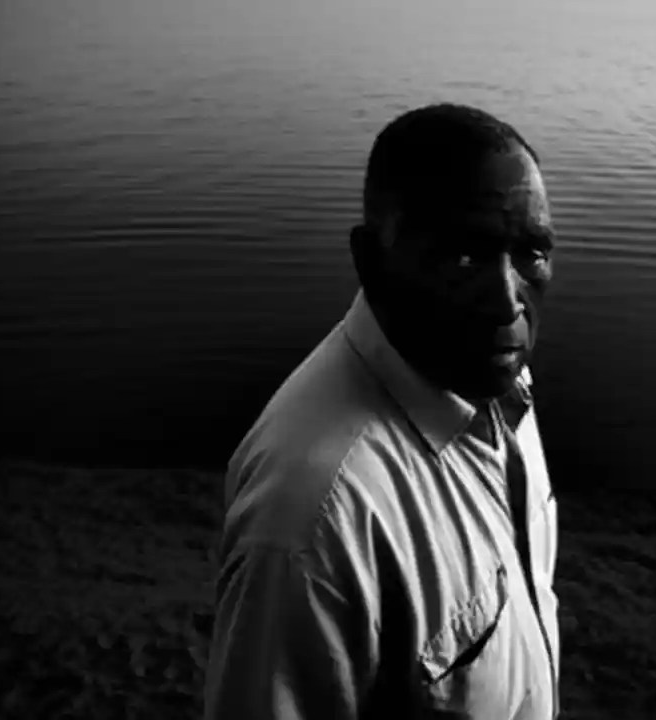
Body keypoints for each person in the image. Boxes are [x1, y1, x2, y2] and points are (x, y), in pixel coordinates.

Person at [204, 103, 561, 720]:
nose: (508, 301)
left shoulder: (495, 384)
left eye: (531, 252)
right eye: (466, 256)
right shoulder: (314, 519)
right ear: (371, 262)